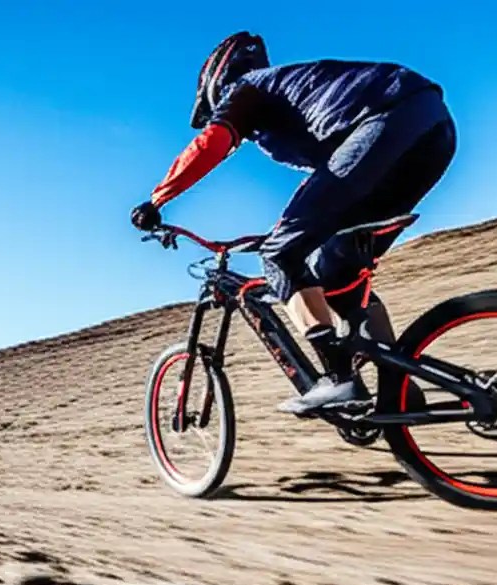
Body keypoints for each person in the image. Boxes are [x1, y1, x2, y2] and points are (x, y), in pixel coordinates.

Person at [131, 31, 456, 415]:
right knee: (336, 270)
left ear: (216, 84)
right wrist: (291, 230)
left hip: (388, 120)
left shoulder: (246, 89)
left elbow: (211, 143)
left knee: (278, 256)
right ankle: (397, 386)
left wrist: (157, 200)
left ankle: (339, 380)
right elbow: (332, 181)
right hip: (432, 130)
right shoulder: (290, 97)